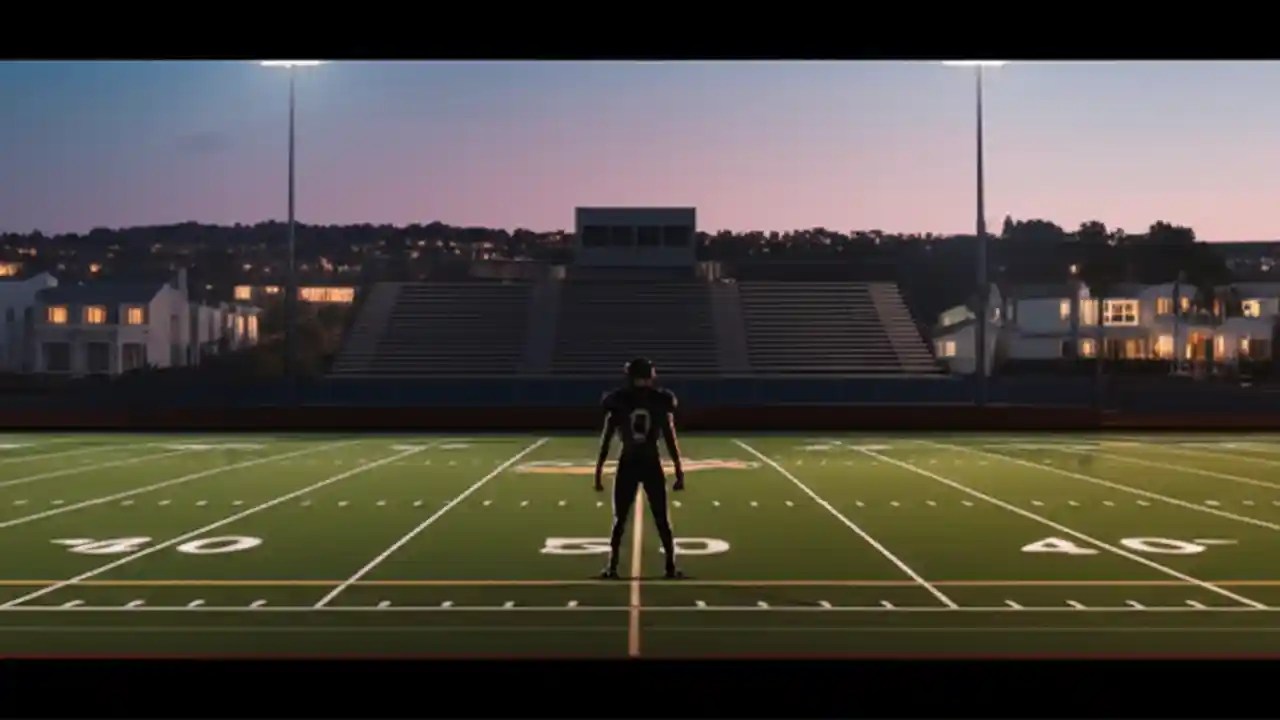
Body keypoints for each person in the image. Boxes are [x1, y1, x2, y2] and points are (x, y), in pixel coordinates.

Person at [594, 357, 685, 580]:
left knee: (620, 519)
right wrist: (678, 470)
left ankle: (612, 567)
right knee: (661, 517)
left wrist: (598, 471)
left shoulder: (619, 400)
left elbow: (606, 438)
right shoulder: (660, 400)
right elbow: (670, 438)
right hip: (650, 462)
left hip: (629, 461)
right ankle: (670, 567)